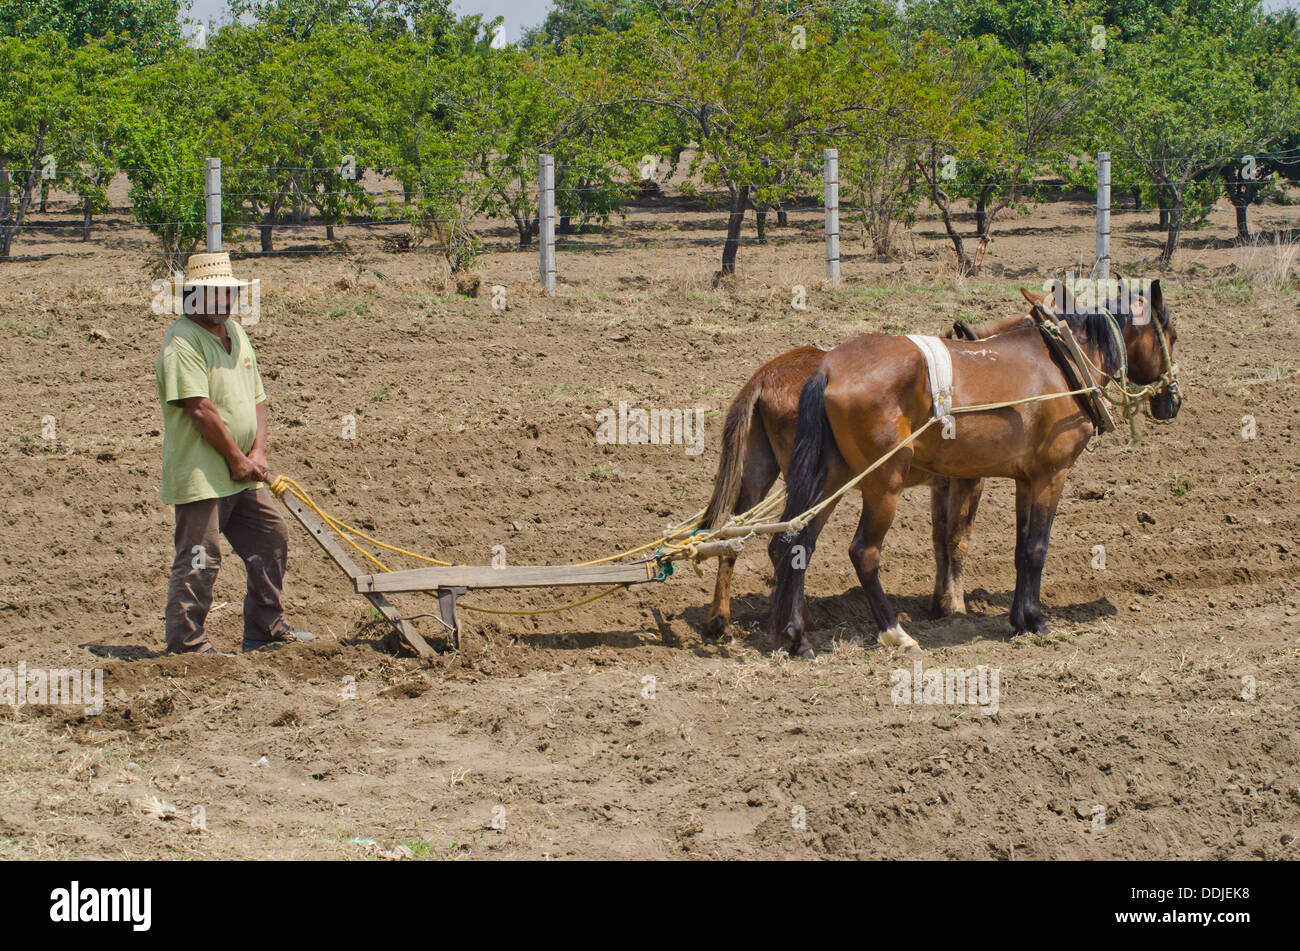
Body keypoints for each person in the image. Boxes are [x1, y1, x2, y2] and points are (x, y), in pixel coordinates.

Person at [155, 251, 314, 654]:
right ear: (193, 296)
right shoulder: (182, 341)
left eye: (229, 292)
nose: (226, 300)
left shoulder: (236, 333)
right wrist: (237, 459)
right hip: (202, 474)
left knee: (270, 537)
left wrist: (258, 451)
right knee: (199, 557)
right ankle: (187, 646)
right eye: (217, 293)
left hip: (243, 470)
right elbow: (199, 408)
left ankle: (264, 628)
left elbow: (257, 397)